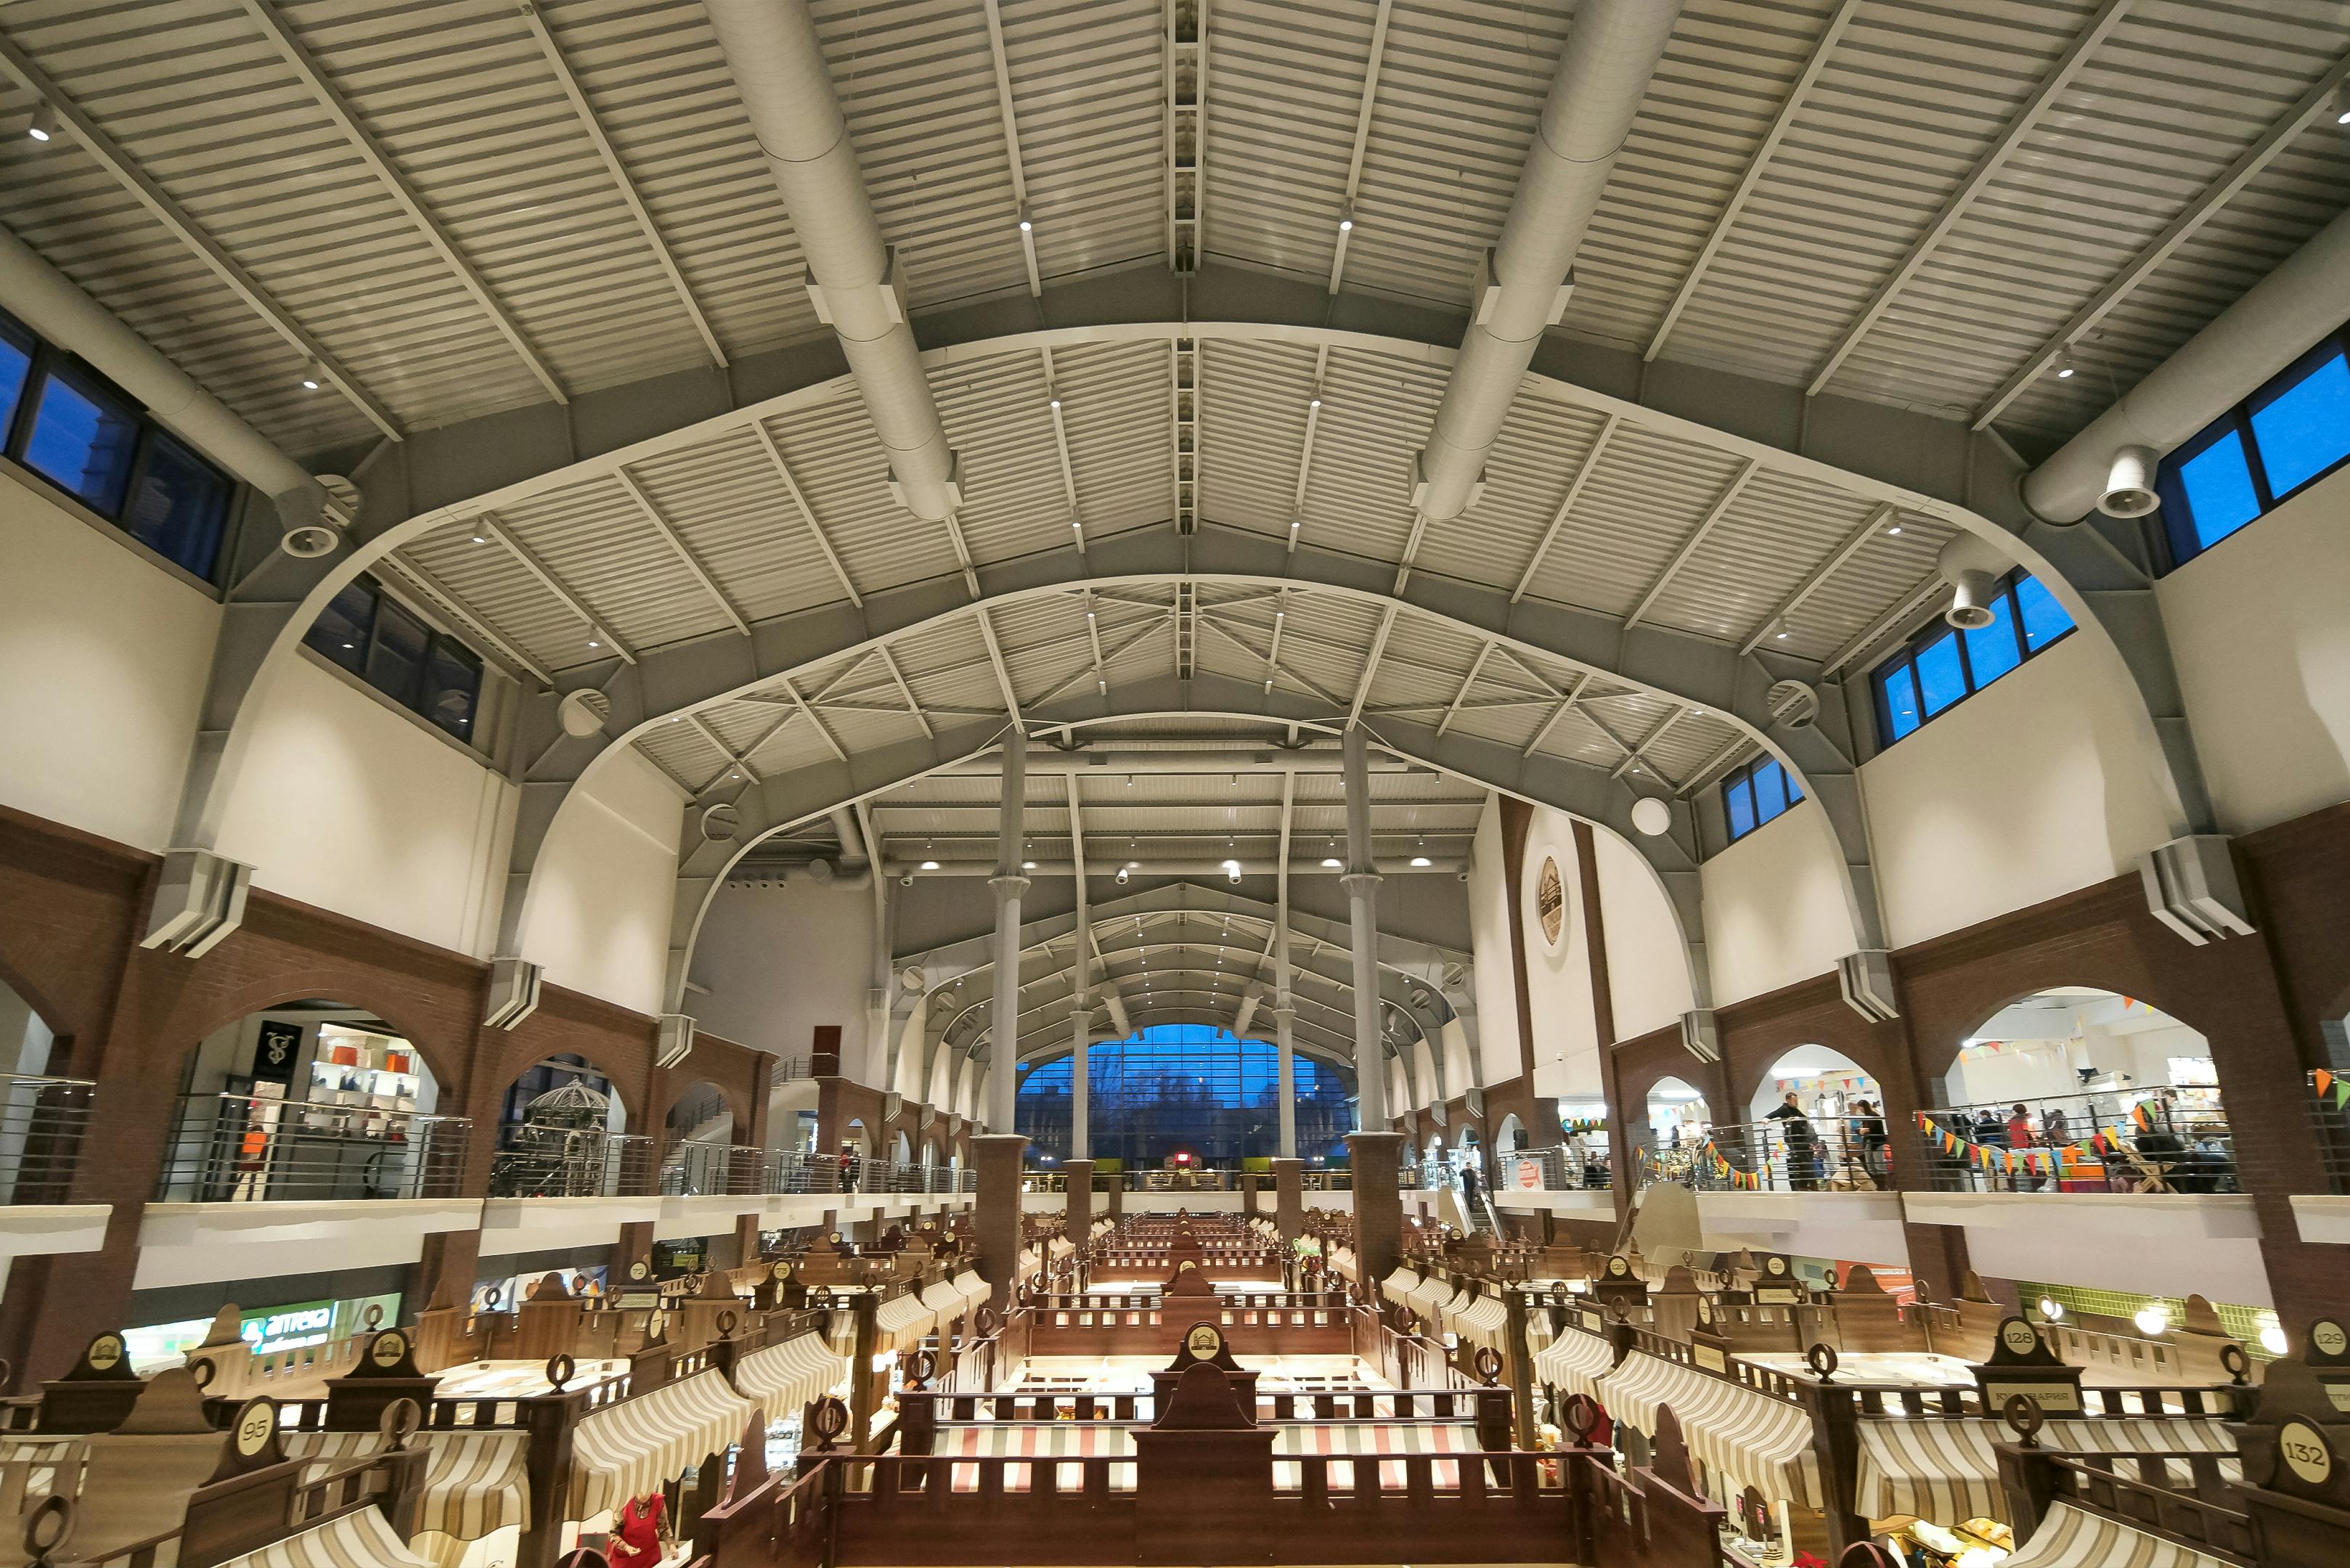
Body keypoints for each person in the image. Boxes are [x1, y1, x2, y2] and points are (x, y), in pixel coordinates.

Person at [1767, 1093, 1819, 1190]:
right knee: (1805, 1162)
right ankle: (1809, 1185)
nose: (1796, 1103)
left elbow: (1804, 1119)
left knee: (1806, 1161)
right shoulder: (1785, 1109)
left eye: (1797, 1101)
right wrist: (1766, 1119)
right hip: (1796, 1140)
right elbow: (1773, 1114)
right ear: (1788, 1100)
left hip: (1802, 1140)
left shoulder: (1795, 1110)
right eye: (1794, 1101)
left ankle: (1807, 1184)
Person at [1852, 1099, 1889, 1185]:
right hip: (1870, 1142)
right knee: (1870, 1163)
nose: (1861, 1111)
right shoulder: (1866, 1117)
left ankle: (1882, 1185)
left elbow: (1876, 1129)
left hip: (1876, 1142)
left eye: (1861, 1109)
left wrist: (1865, 1131)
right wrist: (1861, 1131)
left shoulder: (1874, 1116)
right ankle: (1878, 1184)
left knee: (1878, 1163)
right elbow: (1858, 1129)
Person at [2006, 1103, 2040, 1191]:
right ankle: (2036, 1185)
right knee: (2033, 1166)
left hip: (2018, 1146)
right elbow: (2030, 1133)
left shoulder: (2014, 1121)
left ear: (2016, 1111)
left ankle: (2014, 1188)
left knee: (2019, 1167)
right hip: (2028, 1146)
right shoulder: (2027, 1119)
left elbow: (2015, 1134)